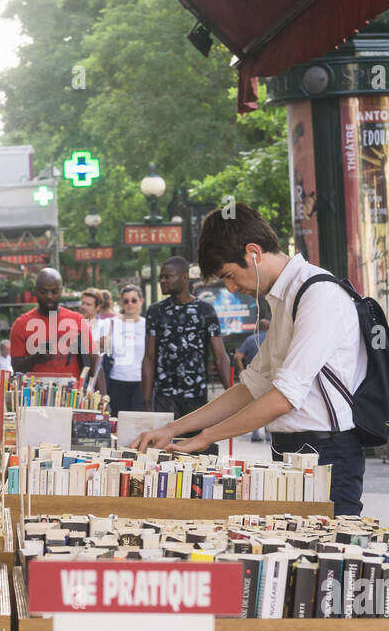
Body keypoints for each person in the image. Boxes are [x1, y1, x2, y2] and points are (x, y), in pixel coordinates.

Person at [133, 208, 369, 516]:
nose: (231, 288)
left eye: (229, 276)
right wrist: (174, 428)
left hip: (327, 455)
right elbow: (251, 387)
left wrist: (206, 437)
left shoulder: (318, 295)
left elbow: (283, 397)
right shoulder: (286, 298)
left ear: (254, 252)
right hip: (292, 451)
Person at [141, 256, 231, 432]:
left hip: (196, 398)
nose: (162, 281)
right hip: (164, 399)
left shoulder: (205, 311)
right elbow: (149, 358)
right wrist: (146, 402)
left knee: (197, 452)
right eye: (161, 277)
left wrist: (232, 398)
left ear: (184, 277)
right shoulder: (155, 311)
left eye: (168, 276)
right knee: (163, 452)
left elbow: (220, 356)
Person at [10, 268, 102, 387]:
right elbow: (16, 368)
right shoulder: (21, 324)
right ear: (35, 291)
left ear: (61, 290)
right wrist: (35, 358)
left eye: (54, 291)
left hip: (71, 396)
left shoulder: (78, 320)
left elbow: (92, 368)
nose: (49, 296)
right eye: (44, 292)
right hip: (36, 397)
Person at [106, 284, 147, 416]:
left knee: (138, 422)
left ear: (141, 301)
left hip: (141, 382)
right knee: (118, 422)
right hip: (117, 380)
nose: (130, 304)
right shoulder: (112, 323)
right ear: (121, 303)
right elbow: (101, 349)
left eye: (134, 300)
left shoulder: (147, 324)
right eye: (126, 300)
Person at [234, 318, 271, 442]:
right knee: (268, 405)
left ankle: (255, 434)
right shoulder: (274, 338)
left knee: (254, 405)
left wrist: (242, 370)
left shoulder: (251, 339)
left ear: (258, 327)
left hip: (254, 377)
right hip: (271, 377)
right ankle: (269, 434)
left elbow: (238, 356)